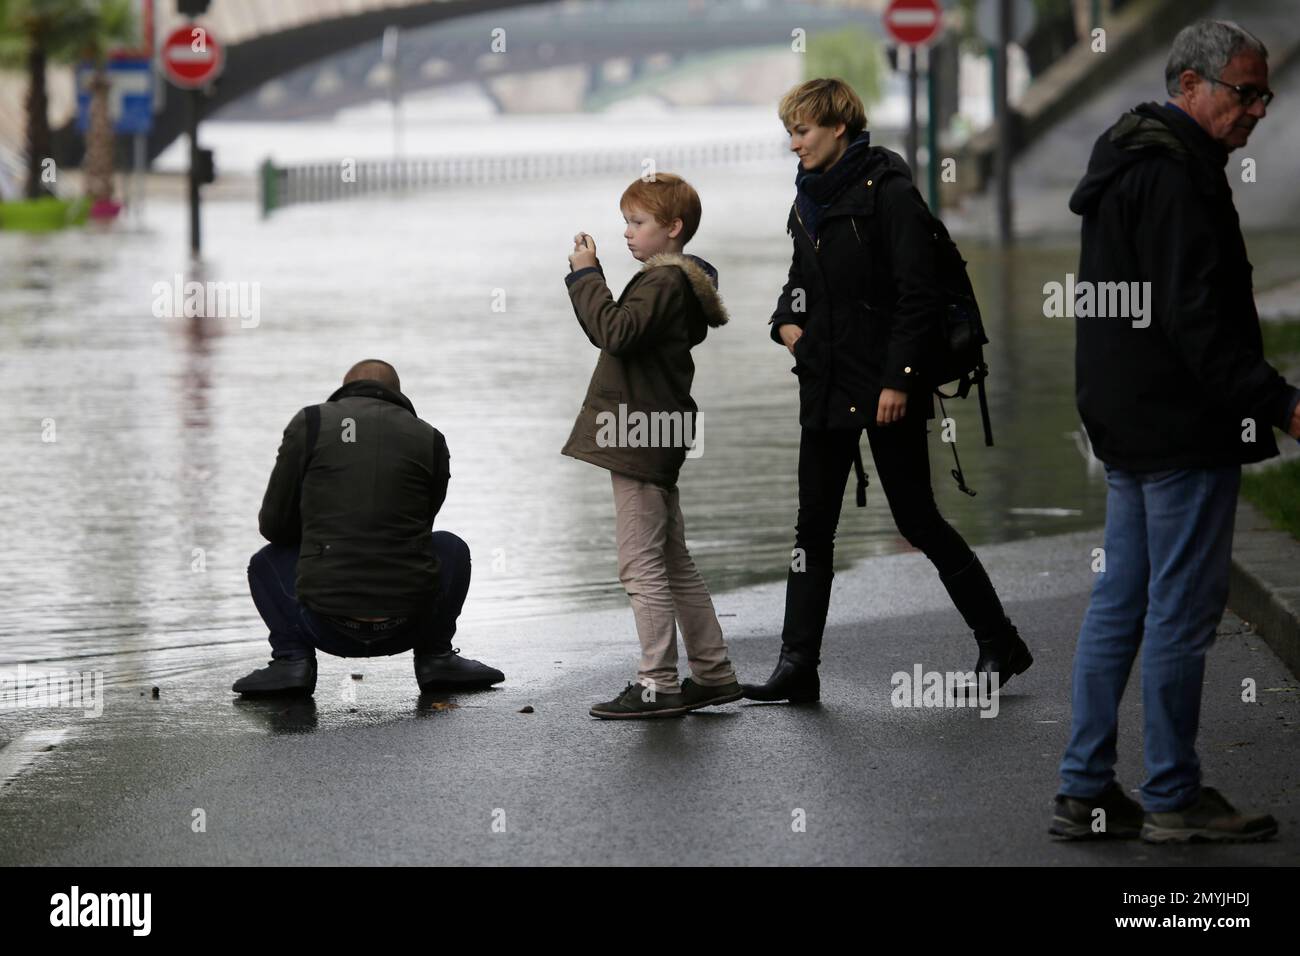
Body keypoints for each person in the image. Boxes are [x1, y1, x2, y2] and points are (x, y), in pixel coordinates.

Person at [1052, 19, 1298, 843]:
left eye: (1263, 93)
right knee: (1180, 615)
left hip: (1127, 418)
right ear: (1188, 85)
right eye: (1243, 91)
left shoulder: (1130, 158)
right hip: (1182, 426)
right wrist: (1280, 401)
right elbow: (1196, 320)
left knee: (1121, 604)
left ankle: (1085, 789)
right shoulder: (1178, 174)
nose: (1258, 108)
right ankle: (1172, 796)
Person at [743, 78, 1032, 703]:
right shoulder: (806, 200)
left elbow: (918, 294)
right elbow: (801, 279)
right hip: (825, 379)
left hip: (883, 386)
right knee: (811, 527)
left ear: (838, 127)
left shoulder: (889, 190)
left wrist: (900, 379)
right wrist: (785, 321)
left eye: (803, 131)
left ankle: (999, 640)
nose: (794, 144)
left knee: (917, 518)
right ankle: (797, 666)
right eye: (789, 132)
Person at [563, 173, 741, 719]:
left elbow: (614, 332)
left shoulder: (662, 283)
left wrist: (586, 275)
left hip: (636, 431)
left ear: (673, 228)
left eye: (638, 223)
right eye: (626, 222)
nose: (627, 232)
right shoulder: (678, 285)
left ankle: (657, 683)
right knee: (671, 558)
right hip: (658, 430)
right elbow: (628, 332)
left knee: (640, 564)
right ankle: (712, 674)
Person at [233, 359, 504, 697]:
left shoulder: (312, 423)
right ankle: (436, 657)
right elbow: (420, 526)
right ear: (398, 394)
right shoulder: (430, 438)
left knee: (265, 561)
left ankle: (293, 661)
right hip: (410, 623)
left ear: (344, 390)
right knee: (451, 548)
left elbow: (274, 527)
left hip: (322, 624)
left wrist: (323, 537)